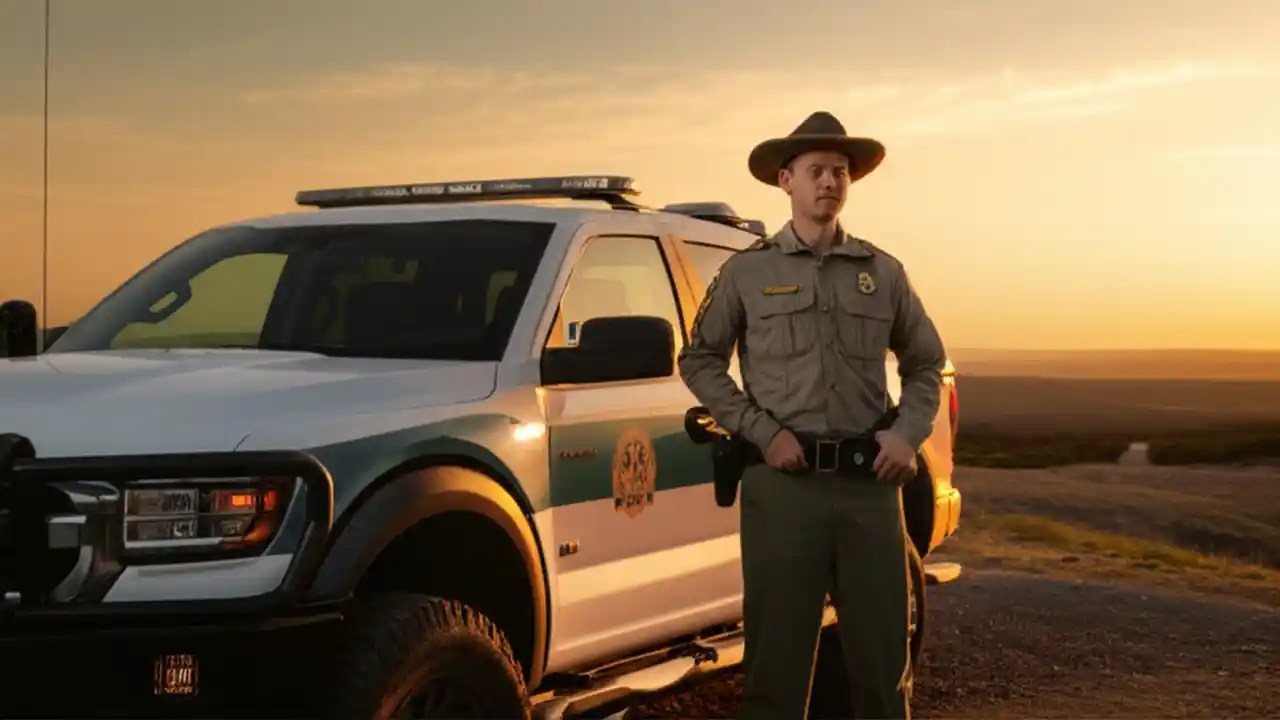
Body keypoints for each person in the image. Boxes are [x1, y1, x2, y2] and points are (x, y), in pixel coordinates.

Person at [677, 110, 946, 720]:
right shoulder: (748, 272)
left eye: (841, 172)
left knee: (883, 670)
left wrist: (906, 434)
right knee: (776, 673)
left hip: (869, 490)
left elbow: (927, 364)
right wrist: (762, 433)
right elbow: (699, 360)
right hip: (783, 490)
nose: (831, 182)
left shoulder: (883, 273)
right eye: (817, 171)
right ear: (786, 180)